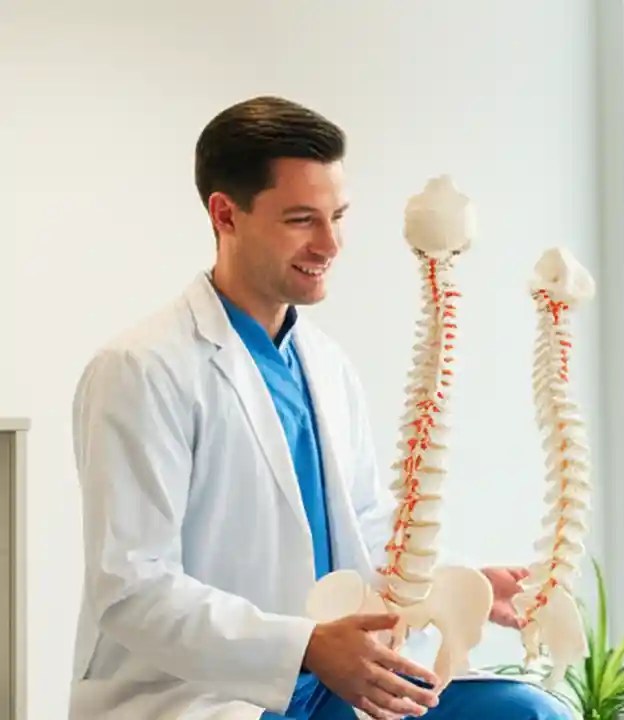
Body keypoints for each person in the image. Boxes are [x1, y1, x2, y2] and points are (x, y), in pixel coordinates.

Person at [69, 96, 573, 720]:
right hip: (207, 697)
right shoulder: (140, 369)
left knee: (527, 712)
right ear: (225, 214)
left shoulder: (326, 363)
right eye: (301, 219)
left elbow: (361, 522)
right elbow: (132, 587)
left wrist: (458, 582)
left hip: (340, 686)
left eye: (339, 215)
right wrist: (303, 647)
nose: (330, 243)